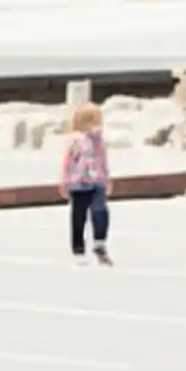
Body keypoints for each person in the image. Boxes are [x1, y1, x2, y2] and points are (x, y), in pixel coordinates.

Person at [59, 103, 113, 266]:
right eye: (94, 121)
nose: (97, 125)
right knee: (79, 216)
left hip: (97, 181)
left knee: (100, 211)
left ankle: (99, 242)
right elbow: (68, 161)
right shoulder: (76, 140)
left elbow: (103, 159)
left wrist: (107, 179)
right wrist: (65, 181)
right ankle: (78, 247)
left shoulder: (99, 140)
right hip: (78, 182)